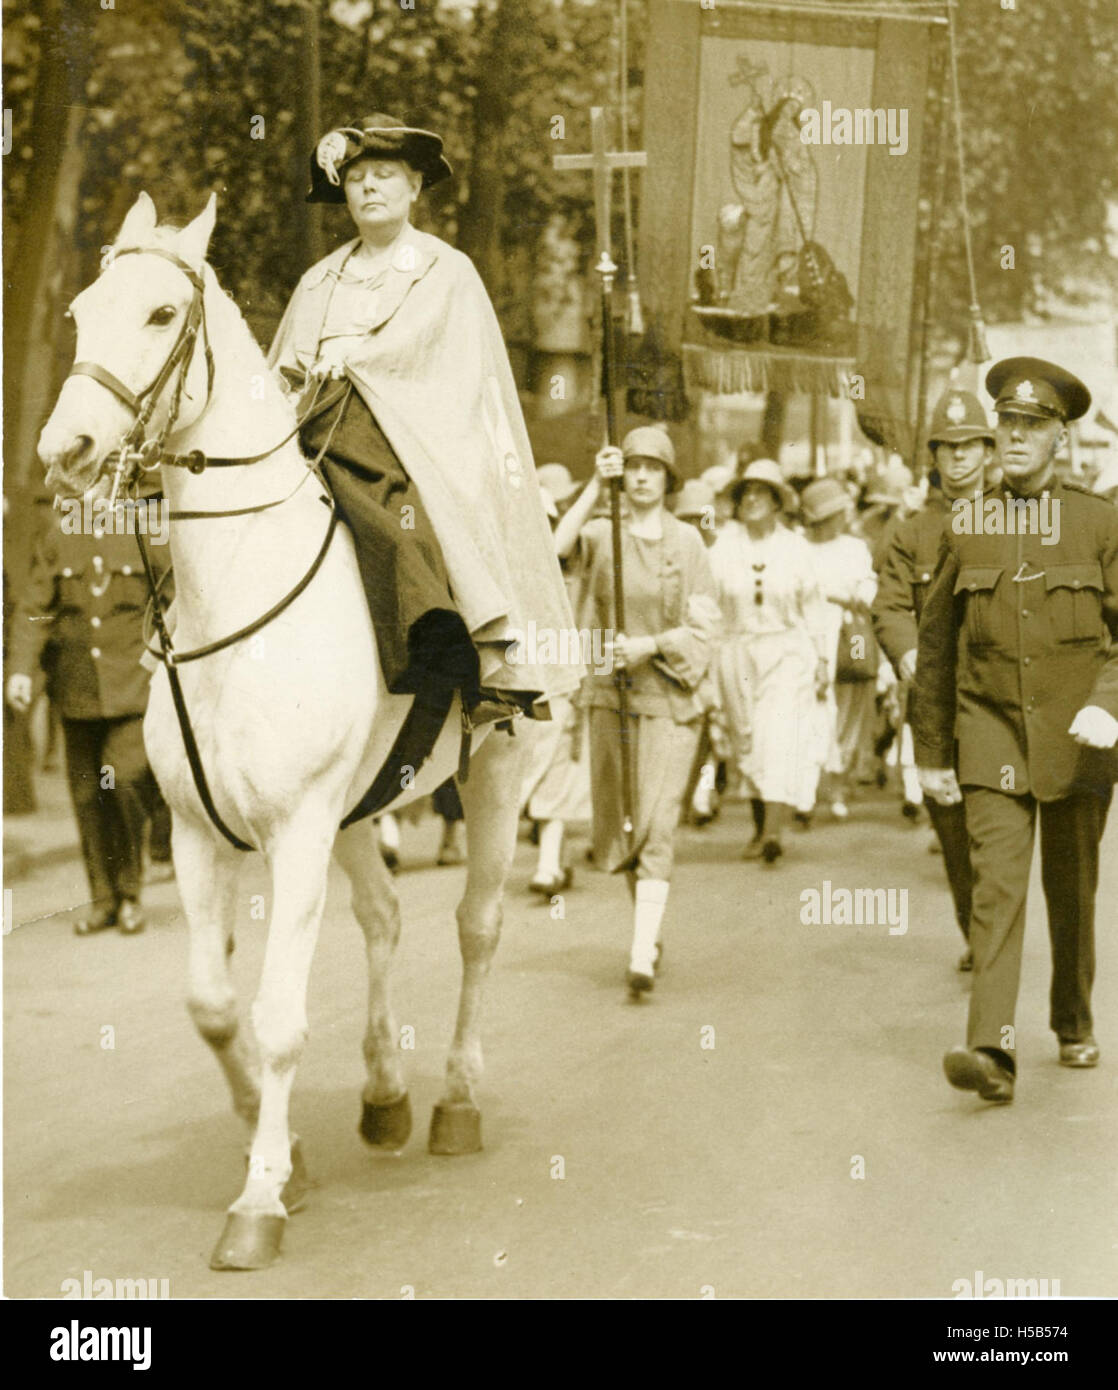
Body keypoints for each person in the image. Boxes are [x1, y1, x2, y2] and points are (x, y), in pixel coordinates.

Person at [267, 113, 582, 725]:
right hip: (309, 435)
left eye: (385, 175)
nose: (369, 188)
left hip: (405, 440)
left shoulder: (446, 270)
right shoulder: (319, 279)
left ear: (414, 187)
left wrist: (354, 361)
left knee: (406, 529)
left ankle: (471, 663)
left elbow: (448, 371)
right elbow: (284, 367)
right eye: (356, 177)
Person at [912, 357, 1118, 1105]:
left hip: (1081, 736)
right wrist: (931, 753)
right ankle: (991, 1052)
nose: (1018, 436)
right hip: (990, 730)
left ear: (1060, 438)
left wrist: (1109, 701)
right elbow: (936, 645)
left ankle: (1072, 1018)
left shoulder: (1099, 522)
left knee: (1072, 889)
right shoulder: (968, 523)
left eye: (1034, 426)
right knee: (996, 891)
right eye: (1009, 424)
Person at [554, 426, 720, 994]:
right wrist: (592, 487)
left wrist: (649, 646)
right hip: (612, 700)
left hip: (670, 700)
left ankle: (641, 949)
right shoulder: (603, 535)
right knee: (625, 826)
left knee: (656, 826)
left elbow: (704, 626)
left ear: (669, 478)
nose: (644, 475)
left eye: (654, 467)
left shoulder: (689, 544)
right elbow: (555, 550)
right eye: (635, 466)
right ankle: (646, 928)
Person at [873, 387, 996, 971]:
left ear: (989, 451)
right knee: (953, 833)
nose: (958, 458)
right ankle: (977, 931)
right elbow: (891, 607)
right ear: (934, 455)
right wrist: (907, 656)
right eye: (947, 447)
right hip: (936, 709)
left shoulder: (1017, 518)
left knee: (997, 831)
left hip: (999, 701)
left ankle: (995, 937)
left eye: (970, 445)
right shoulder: (910, 533)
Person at [6, 515, 170, 935]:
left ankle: (130, 892)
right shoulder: (60, 536)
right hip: (76, 691)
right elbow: (35, 610)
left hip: (133, 689)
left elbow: (173, 602)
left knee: (124, 782)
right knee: (87, 795)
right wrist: (21, 670)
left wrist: (162, 667)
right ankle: (103, 899)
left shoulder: (143, 530)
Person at [709, 459, 831, 862]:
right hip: (736, 651)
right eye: (747, 492)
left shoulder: (795, 548)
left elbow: (814, 608)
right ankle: (760, 827)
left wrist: (822, 660)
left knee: (775, 737)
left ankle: (773, 835)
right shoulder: (724, 546)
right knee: (746, 740)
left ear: (778, 501)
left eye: (763, 492)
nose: (754, 499)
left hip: (786, 651)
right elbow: (708, 606)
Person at [800, 477, 879, 820]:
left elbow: (868, 587)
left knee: (851, 703)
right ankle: (808, 786)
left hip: (851, 633)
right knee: (813, 708)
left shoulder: (854, 548)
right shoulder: (798, 547)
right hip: (809, 635)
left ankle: (839, 782)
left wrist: (856, 595)